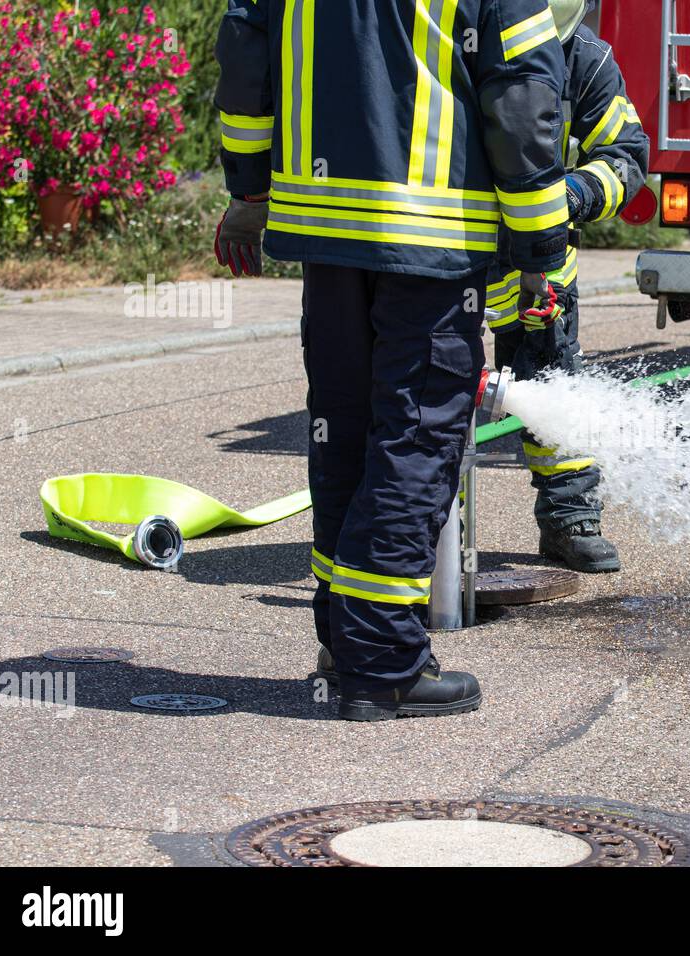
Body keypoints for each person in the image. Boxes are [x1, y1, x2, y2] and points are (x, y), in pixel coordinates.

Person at [212, 0, 569, 720]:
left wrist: (250, 189)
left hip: (324, 234)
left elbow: (246, 63)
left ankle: (345, 645)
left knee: (343, 432)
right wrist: (539, 249)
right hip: (431, 244)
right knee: (414, 435)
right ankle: (382, 664)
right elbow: (522, 96)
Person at [485, 0, 648, 573]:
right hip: (450, 246)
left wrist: (569, 199)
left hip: (543, 262)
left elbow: (626, 156)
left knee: (555, 381)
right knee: (430, 388)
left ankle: (568, 518)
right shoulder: (464, 40)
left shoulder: (587, 59)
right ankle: (430, 527)